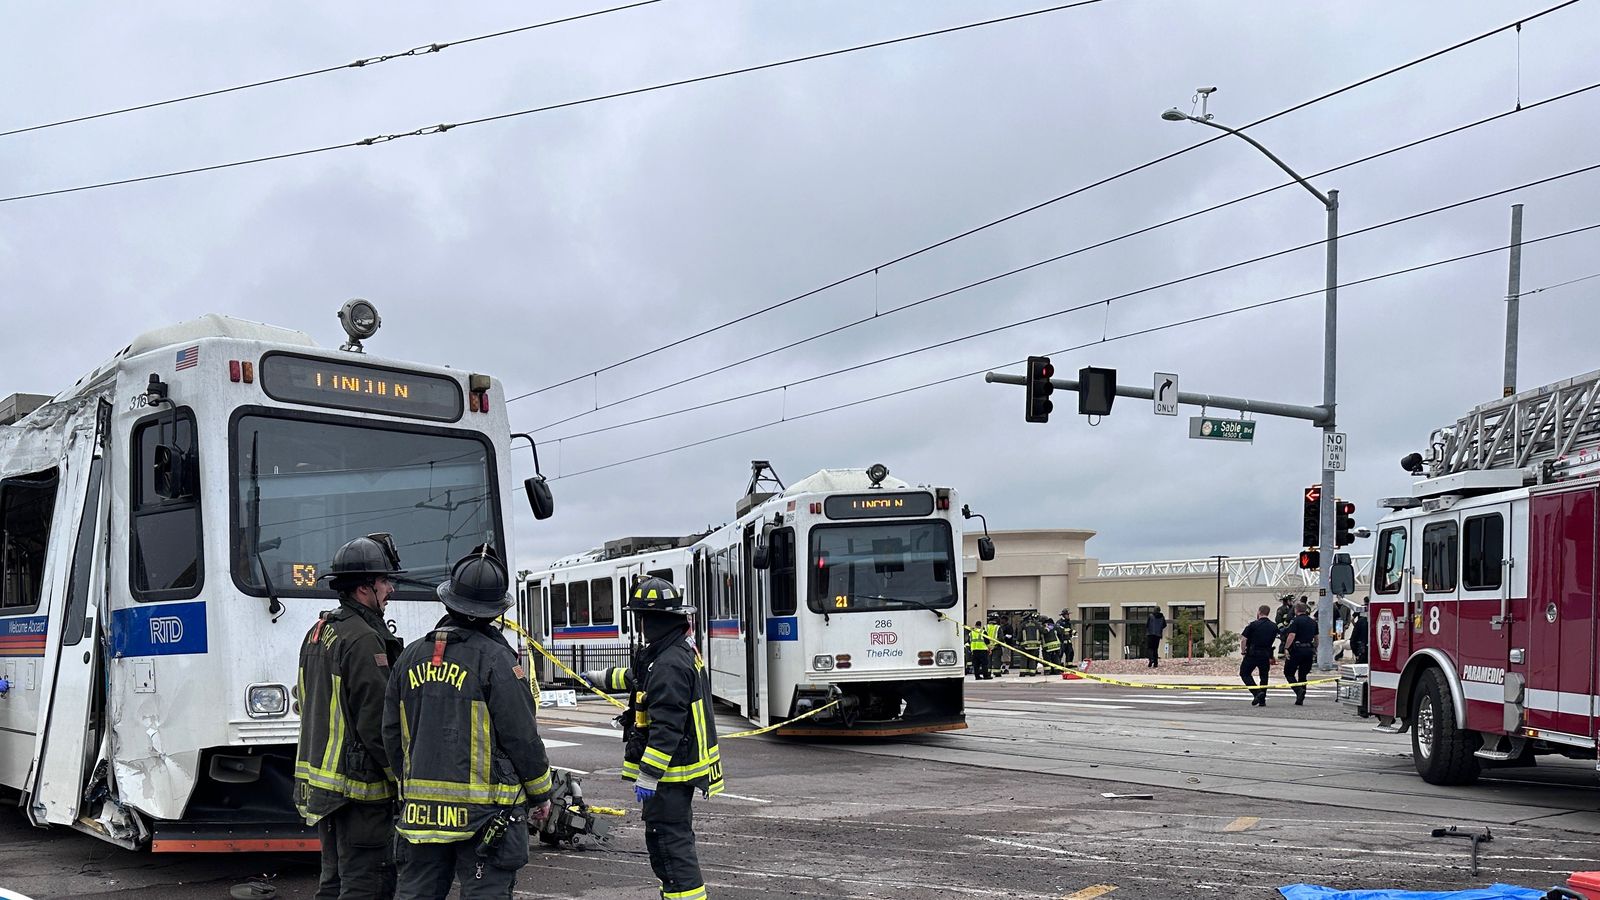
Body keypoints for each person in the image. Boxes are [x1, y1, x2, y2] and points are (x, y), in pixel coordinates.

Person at [383, 546, 553, 899]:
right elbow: (522, 737)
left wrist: (410, 783)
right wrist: (541, 793)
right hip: (485, 818)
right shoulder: (497, 660)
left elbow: (391, 733)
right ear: (494, 612)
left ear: (449, 601)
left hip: (420, 816)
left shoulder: (409, 656)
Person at [583, 577, 723, 900]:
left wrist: (648, 775)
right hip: (675, 776)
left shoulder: (670, 663)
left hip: (671, 778)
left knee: (671, 848)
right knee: (668, 848)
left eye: (642, 618)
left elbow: (667, 728)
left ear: (651, 620)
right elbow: (639, 677)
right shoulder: (670, 651)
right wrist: (600, 678)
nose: (641, 626)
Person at [295, 534, 406, 900]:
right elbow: (378, 725)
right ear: (363, 589)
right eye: (384, 582)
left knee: (334, 881)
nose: (390, 589)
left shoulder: (319, 631)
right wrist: (402, 779)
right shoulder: (362, 640)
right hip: (360, 791)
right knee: (367, 883)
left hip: (327, 789)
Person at [1239, 605, 1278, 706]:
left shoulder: (1253, 625)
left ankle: (1256, 693)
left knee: (1244, 673)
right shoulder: (1273, 626)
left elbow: (1243, 639)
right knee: (1264, 677)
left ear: (1259, 612)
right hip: (1265, 654)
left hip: (1252, 653)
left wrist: (1243, 652)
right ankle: (1262, 700)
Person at [1281, 601, 1319, 705]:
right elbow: (1316, 638)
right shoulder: (1313, 622)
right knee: (1303, 675)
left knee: (1288, 673)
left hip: (1297, 650)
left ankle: (1298, 691)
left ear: (1296, 610)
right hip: (1308, 650)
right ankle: (1301, 697)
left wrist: (1286, 648)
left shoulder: (1295, 621)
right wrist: (1315, 648)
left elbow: (1291, 635)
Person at [1349, 600, 1370, 664]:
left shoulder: (1360, 608)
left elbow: (1351, 619)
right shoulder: (1375, 620)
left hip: (1361, 650)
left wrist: (1355, 625)